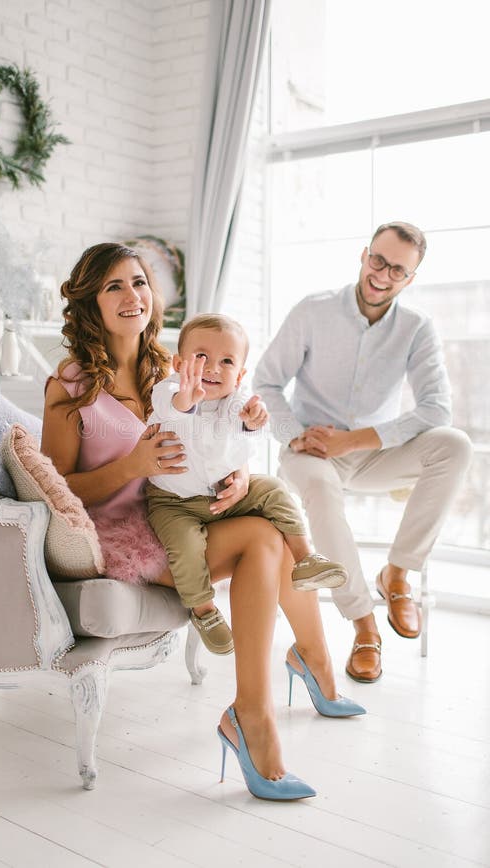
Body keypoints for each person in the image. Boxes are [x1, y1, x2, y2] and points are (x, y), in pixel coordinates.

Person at [41, 242, 365, 802]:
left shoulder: (173, 369)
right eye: (113, 285)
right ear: (90, 300)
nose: (131, 295)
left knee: (268, 523)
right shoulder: (70, 384)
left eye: (139, 282)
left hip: (184, 510)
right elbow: (55, 490)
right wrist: (133, 465)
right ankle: (278, 693)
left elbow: (219, 439)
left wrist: (237, 474)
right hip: (122, 534)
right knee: (265, 537)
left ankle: (262, 702)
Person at [253, 221, 473, 683]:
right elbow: (267, 381)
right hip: (310, 451)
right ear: (363, 255)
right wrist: (294, 433)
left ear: (409, 279)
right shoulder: (312, 311)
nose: (383, 274)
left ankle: (397, 573)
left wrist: (354, 440)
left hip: (372, 454)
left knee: (454, 445)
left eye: (398, 269)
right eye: (378, 260)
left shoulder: (416, 328)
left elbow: (437, 408)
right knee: (319, 488)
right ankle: (364, 626)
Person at [145, 312, 348, 655]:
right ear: (179, 363)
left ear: (239, 374)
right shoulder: (169, 390)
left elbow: (247, 426)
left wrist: (255, 421)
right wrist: (186, 398)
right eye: (201, 357)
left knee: (273, 489)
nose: (212, 368)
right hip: (173, 501)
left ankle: (305, 557)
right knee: (185, 547)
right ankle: (203, 609)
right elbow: (169, 408)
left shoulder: (234, 397)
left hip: (223, 492)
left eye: (226, 361)